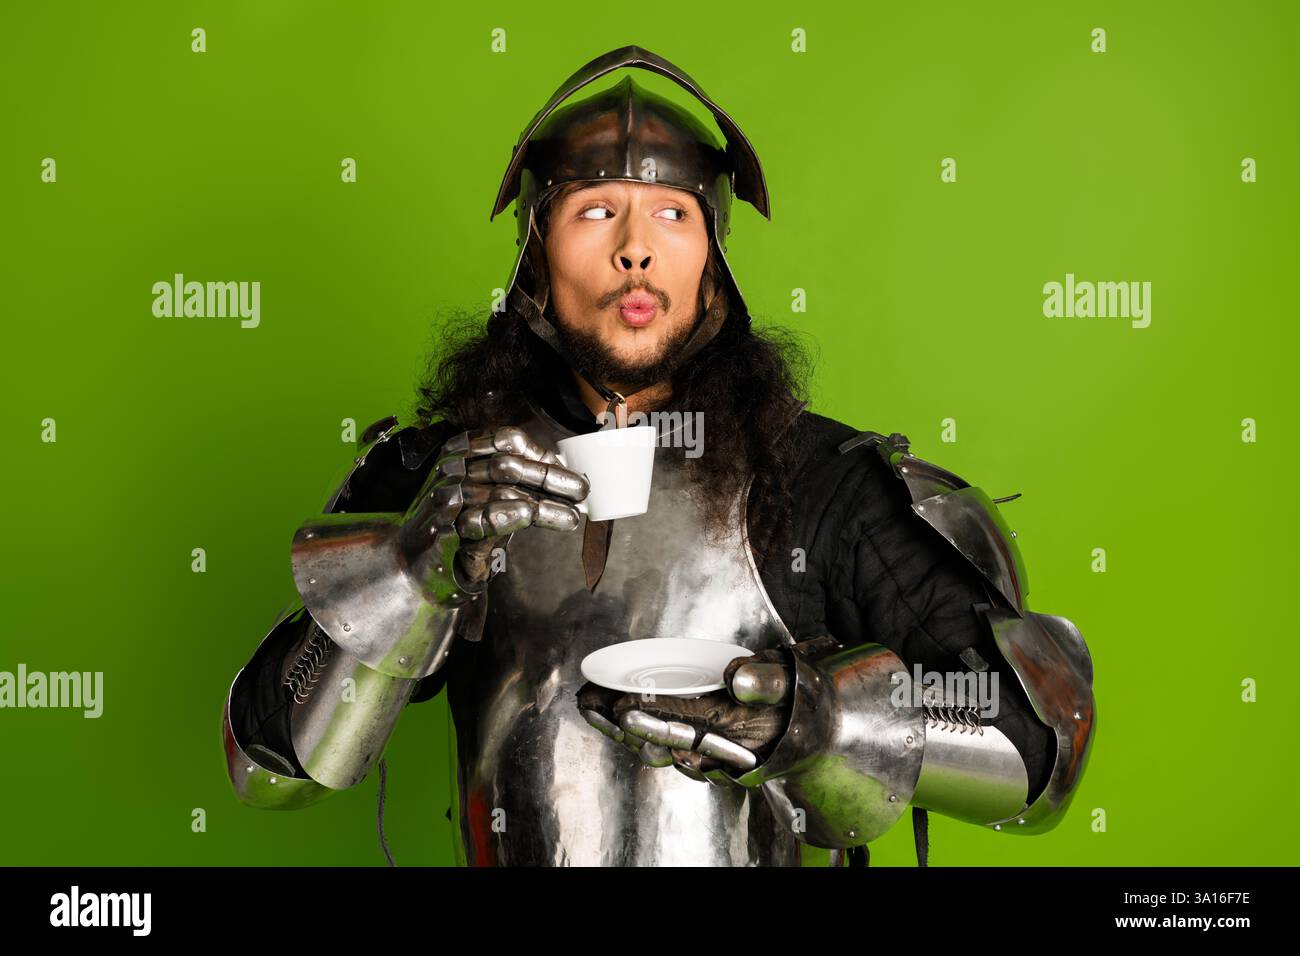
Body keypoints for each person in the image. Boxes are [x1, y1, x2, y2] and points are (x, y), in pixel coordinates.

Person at [220, 45, 1096, 867]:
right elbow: (268, 766)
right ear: (535, 253)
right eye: (595, 210)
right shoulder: (446, 484)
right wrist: (415, 570)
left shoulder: (820, 480)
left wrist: (820, 723)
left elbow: (1038, 749)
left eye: (672, 214)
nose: (634, 247)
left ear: (712, 259)